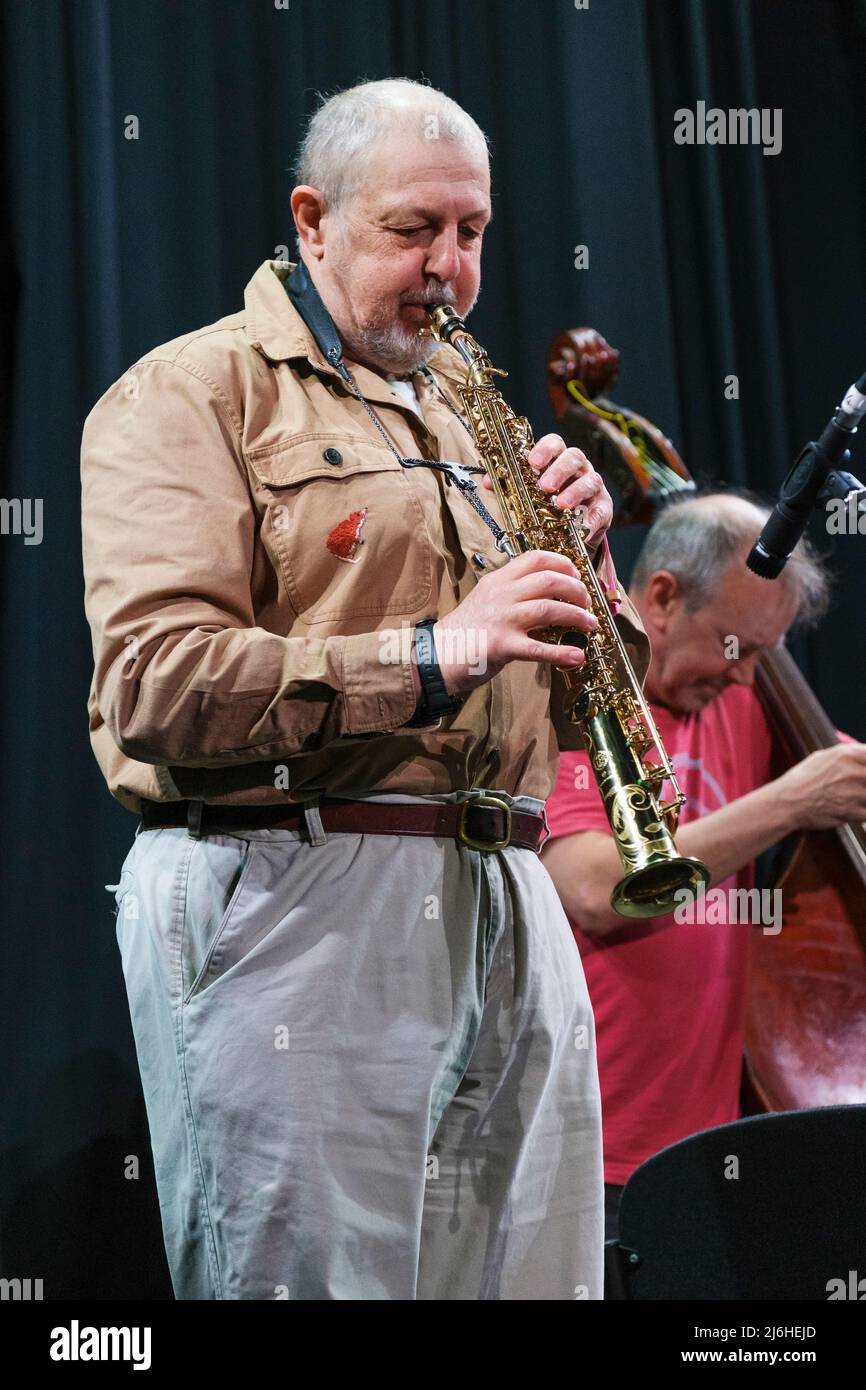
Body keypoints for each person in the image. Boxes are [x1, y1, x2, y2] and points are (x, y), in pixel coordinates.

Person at [80, 77, 650, 1300]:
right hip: (298, 884)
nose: (447, 267)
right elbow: (154, 684)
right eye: (412, 231)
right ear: (313, 220)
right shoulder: (190, 392)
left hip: (509, 883)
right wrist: (436, 653)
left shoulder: (470, 409)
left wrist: (590, 582)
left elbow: (579, 710)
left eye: (472, 233)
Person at [541, 491, 866, 1241]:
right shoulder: (575, 700)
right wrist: (789, 802)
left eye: (765, 653)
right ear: (662, 597)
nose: (751, 677)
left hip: (714, 1148)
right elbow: (596, 889)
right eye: (737, 647)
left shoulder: (742, 701)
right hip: (592, 1149)